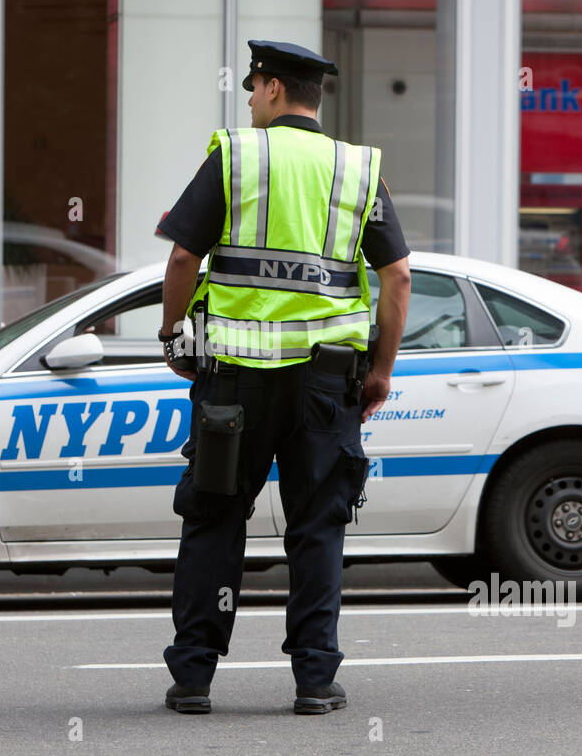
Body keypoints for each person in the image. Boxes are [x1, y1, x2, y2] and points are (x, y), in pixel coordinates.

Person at [157, 40, 411, 715]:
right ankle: (315, 680)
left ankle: (193, 678)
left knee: (214, 519)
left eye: (252, 88)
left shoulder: (237, 156)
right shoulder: (358, 171)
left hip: (233, 384)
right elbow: (399, 276)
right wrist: (381, 369)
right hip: (326, 388)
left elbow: (183, 257)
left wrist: (172, 334)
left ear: (272, 88)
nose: (247, 100)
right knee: (318, 526)